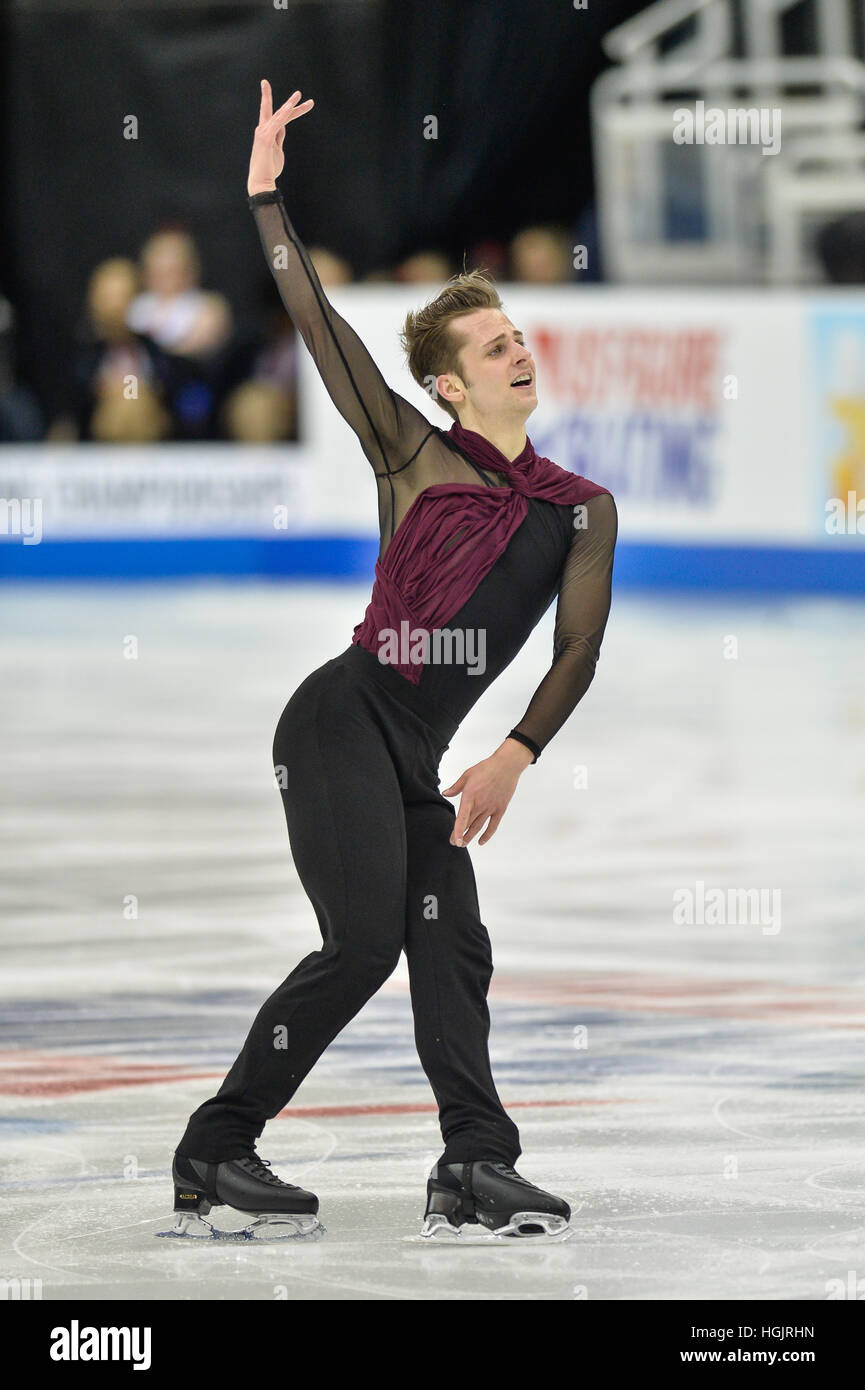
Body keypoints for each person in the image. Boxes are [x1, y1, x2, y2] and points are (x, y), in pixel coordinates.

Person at [160, 81, 617, 1245]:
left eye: (517, 335)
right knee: (364, 939)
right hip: (338, 720)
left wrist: (516, 751)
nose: (518, 351)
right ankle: (216, 1147)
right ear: (449, 386)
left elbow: (577, 647)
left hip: (417, 748)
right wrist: (267, 201)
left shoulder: (580, 509)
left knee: (450, 940)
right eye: (491, 346)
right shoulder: (413, 452)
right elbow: (321, 325)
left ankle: (474, 1163)